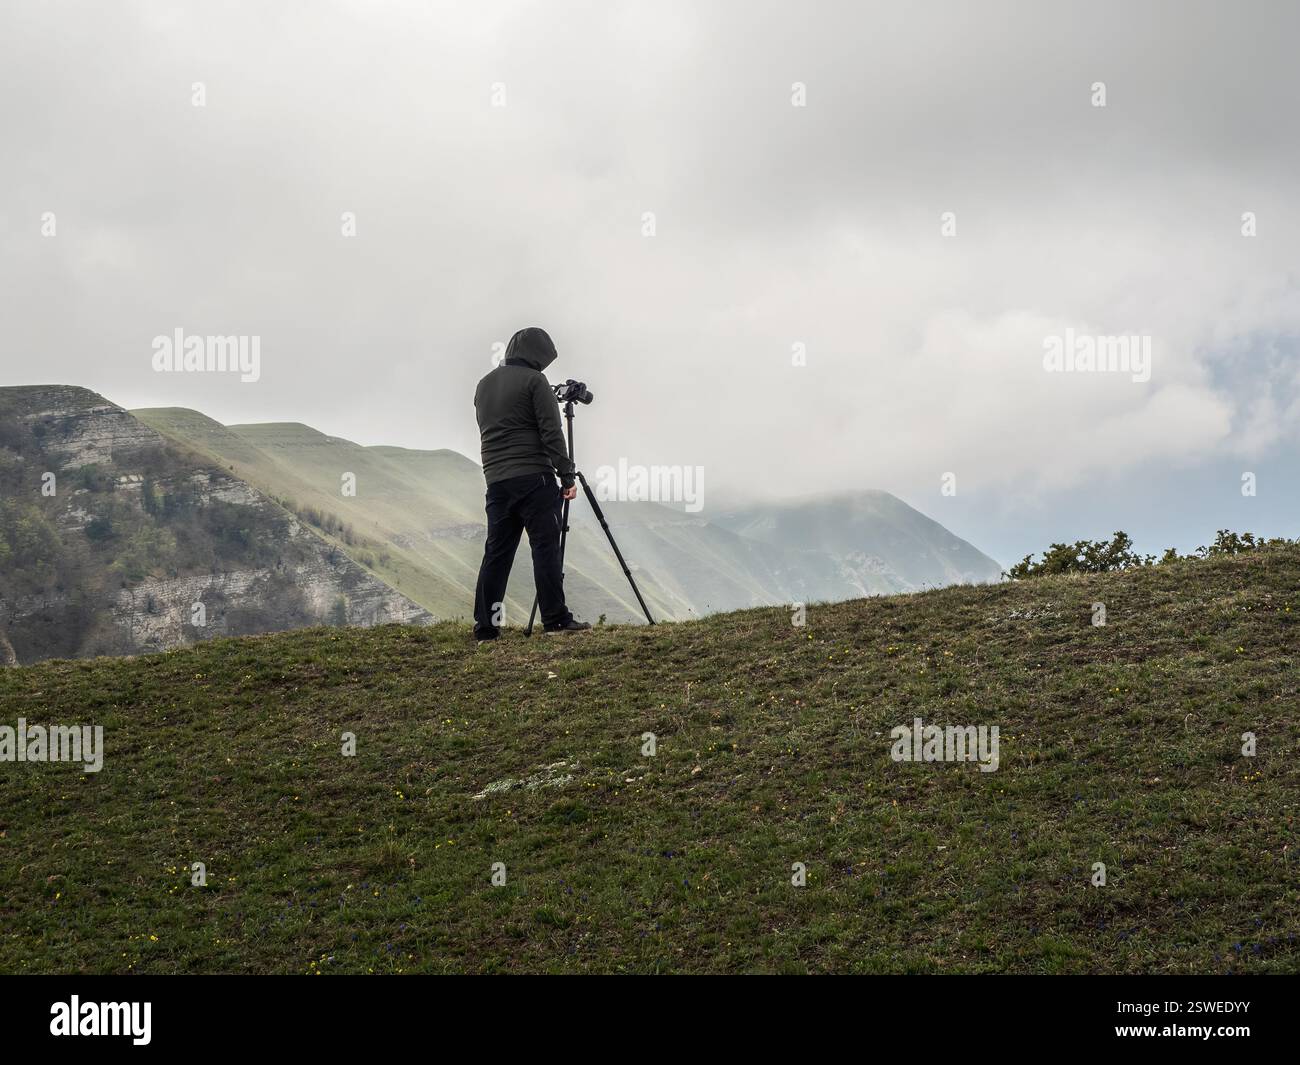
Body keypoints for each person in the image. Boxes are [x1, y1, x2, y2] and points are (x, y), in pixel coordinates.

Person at [471, 327, 590, 639]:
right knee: (545, 548)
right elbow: (551, 432)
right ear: (538, 355)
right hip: (534, 479)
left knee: (497, 553)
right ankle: (555, 620)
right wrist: (566, 475)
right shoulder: (535, 382)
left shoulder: (483, 384)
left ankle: (486, 626)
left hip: (496, 481)